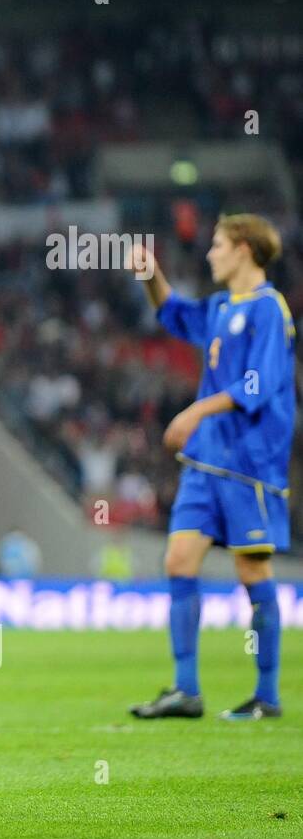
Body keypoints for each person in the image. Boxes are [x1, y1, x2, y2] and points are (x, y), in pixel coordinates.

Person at [128, 216, 293, 720]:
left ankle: (266, 696)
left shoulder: (270, 309)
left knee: (251, 570)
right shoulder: (221, 307)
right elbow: (176, 315)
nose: (209, 254)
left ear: (244, 249)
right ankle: (186, 690)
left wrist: (195, 411)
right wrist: (151, 276)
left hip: (249, 463)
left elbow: (257, 386)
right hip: (205, 461)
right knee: (179, 561)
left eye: (217, 245)